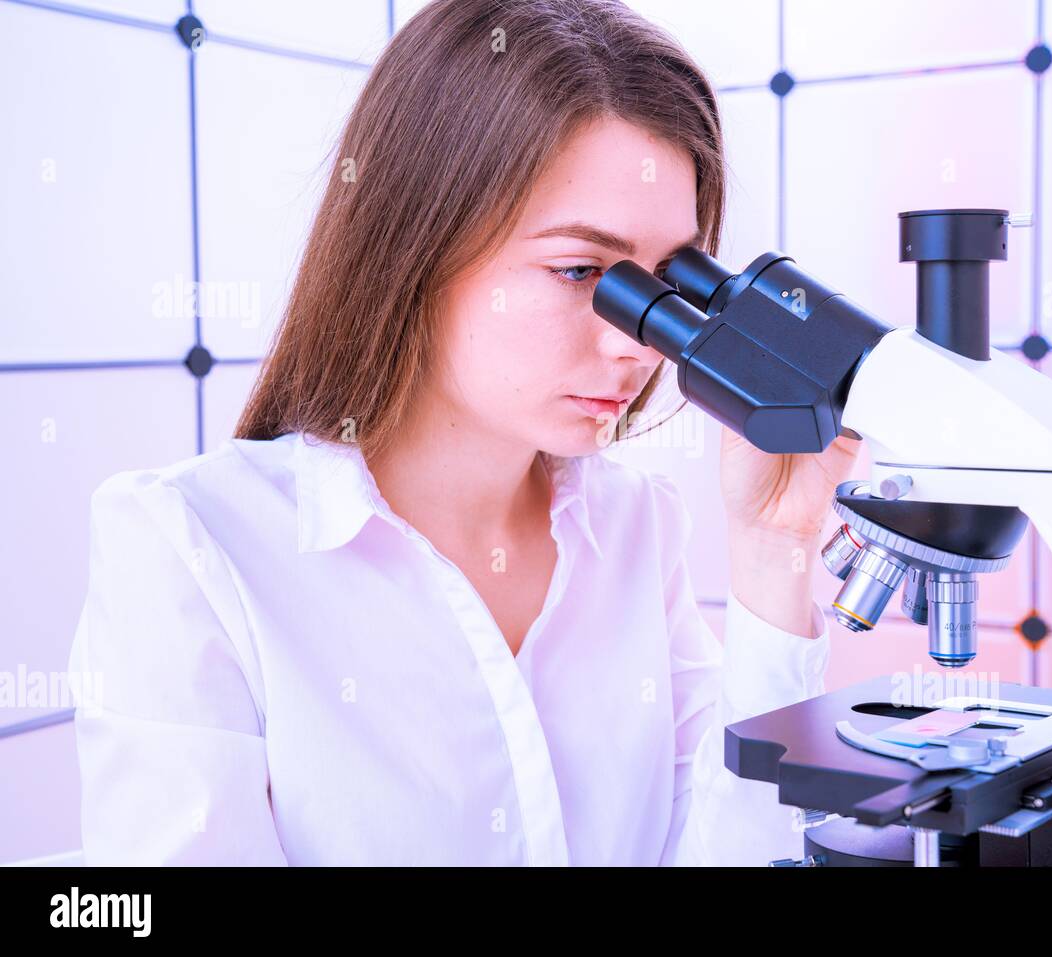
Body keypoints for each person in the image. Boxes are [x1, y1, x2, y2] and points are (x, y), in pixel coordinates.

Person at [69, 0, 860, 865]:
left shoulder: (638, 525)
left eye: (671, 283)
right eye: (579, 270)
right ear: (419, 240)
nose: (633, 340)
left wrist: (771, 550)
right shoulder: (193, 548)